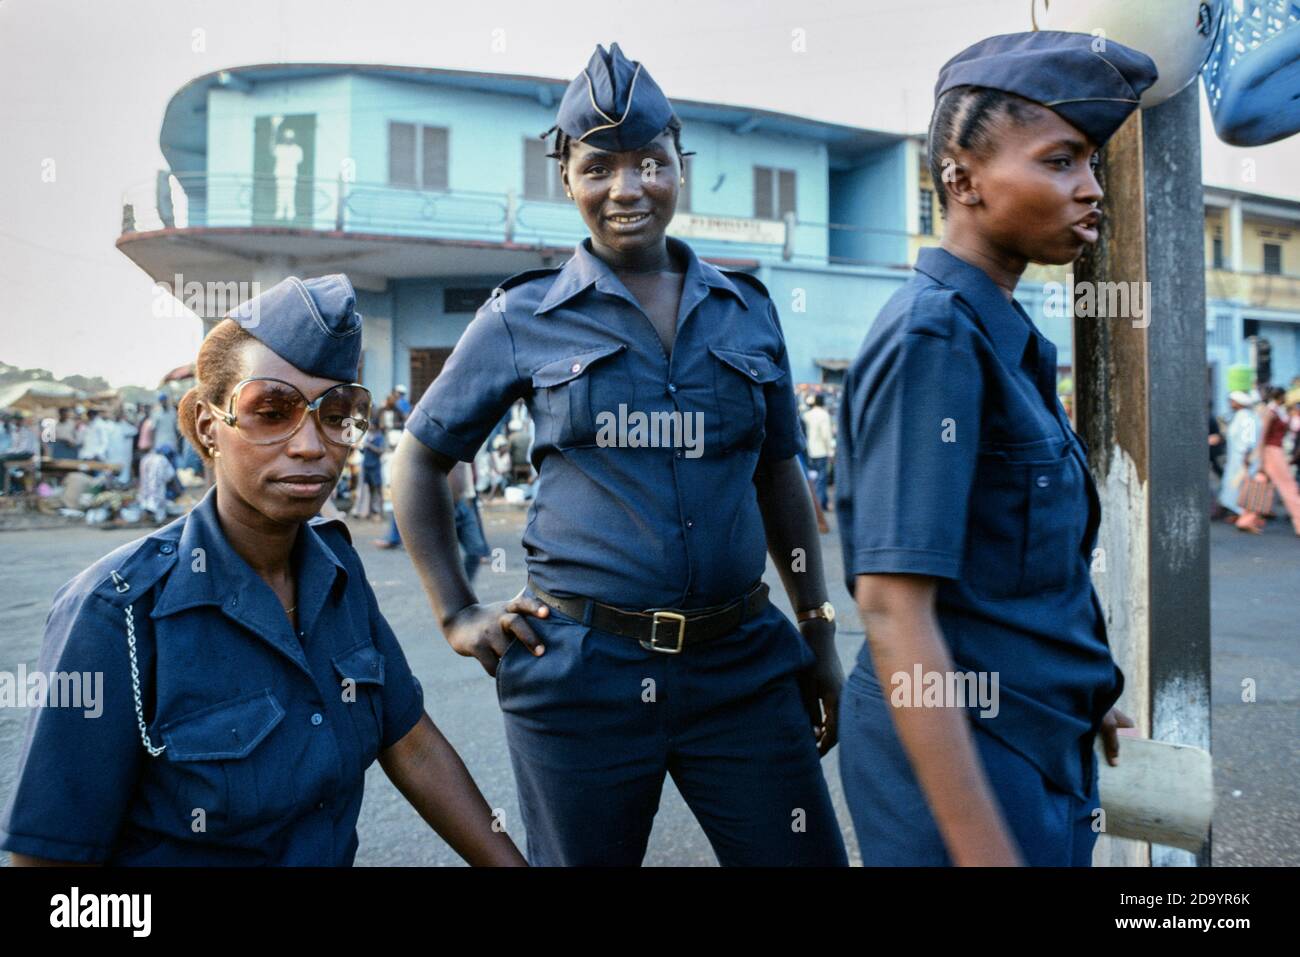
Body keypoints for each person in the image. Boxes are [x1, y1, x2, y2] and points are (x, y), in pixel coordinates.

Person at [391, 43, 847, 867]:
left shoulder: (747, 310)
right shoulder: (521, 316)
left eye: (651, 162)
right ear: (566, 176)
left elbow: (780, 471)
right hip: (580, 676)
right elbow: (418, 457)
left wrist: (819, 634)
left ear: (681, 164)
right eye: (600, 167)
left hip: (741, 666)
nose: (628, 188)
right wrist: (458, 612)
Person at [0, 274, 524, 866]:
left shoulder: (336, 570)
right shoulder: (115, 610)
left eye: (338, 413)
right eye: (271, 411)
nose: (309, 444)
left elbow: (410, 742)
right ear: (205, 423)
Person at [836, 31, 1152, 866]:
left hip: (1030, 730)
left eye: (1089, 165)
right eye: (1060, 162)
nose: (1091, 191)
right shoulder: (932, 337)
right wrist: (981, 846)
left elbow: (1015, 567)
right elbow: (893, 605)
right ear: (963, 179)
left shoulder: (997, 332)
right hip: (964, 755)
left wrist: (1079, 689)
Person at [1235, 386, 1300, 536]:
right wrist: (1261, 460)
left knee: (1260, 485)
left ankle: (1246, 520)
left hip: (1274, 451)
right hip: (1272, 452)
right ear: (1280, 397)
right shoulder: (1271, 412)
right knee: (1288, 487)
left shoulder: (1278, 411)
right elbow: (1262, 437)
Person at [1219, 390, 1259, 521]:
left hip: (1243, 458)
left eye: (1232, 401)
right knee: (1233, 485)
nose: (1230, 404)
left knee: (1242, 485)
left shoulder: (1247, 417)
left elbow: (1248, 439)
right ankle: (1237, 512)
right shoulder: (1238, 416)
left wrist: (1246, 457)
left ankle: (1244, 514)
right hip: (1236, 458)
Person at [802, 393, 834, 510]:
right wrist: (830, 452)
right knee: (821, 479)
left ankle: (823, 503)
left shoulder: (807, 415)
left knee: (813, 479)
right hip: (821, 451)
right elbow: (826, 435)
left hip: (809, 450)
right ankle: (818, 506)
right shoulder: (824, 415)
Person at [361, 413, 385, 519]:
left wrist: (369, 446)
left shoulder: (379, 437)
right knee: (370, 490)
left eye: (371, 424)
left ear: (375, 426)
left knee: (378, 490)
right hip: (367, 465)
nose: (369, 426)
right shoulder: (367, 436)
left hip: (375, 466)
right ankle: (371, 512)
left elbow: (380, 451)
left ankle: (380, 512)